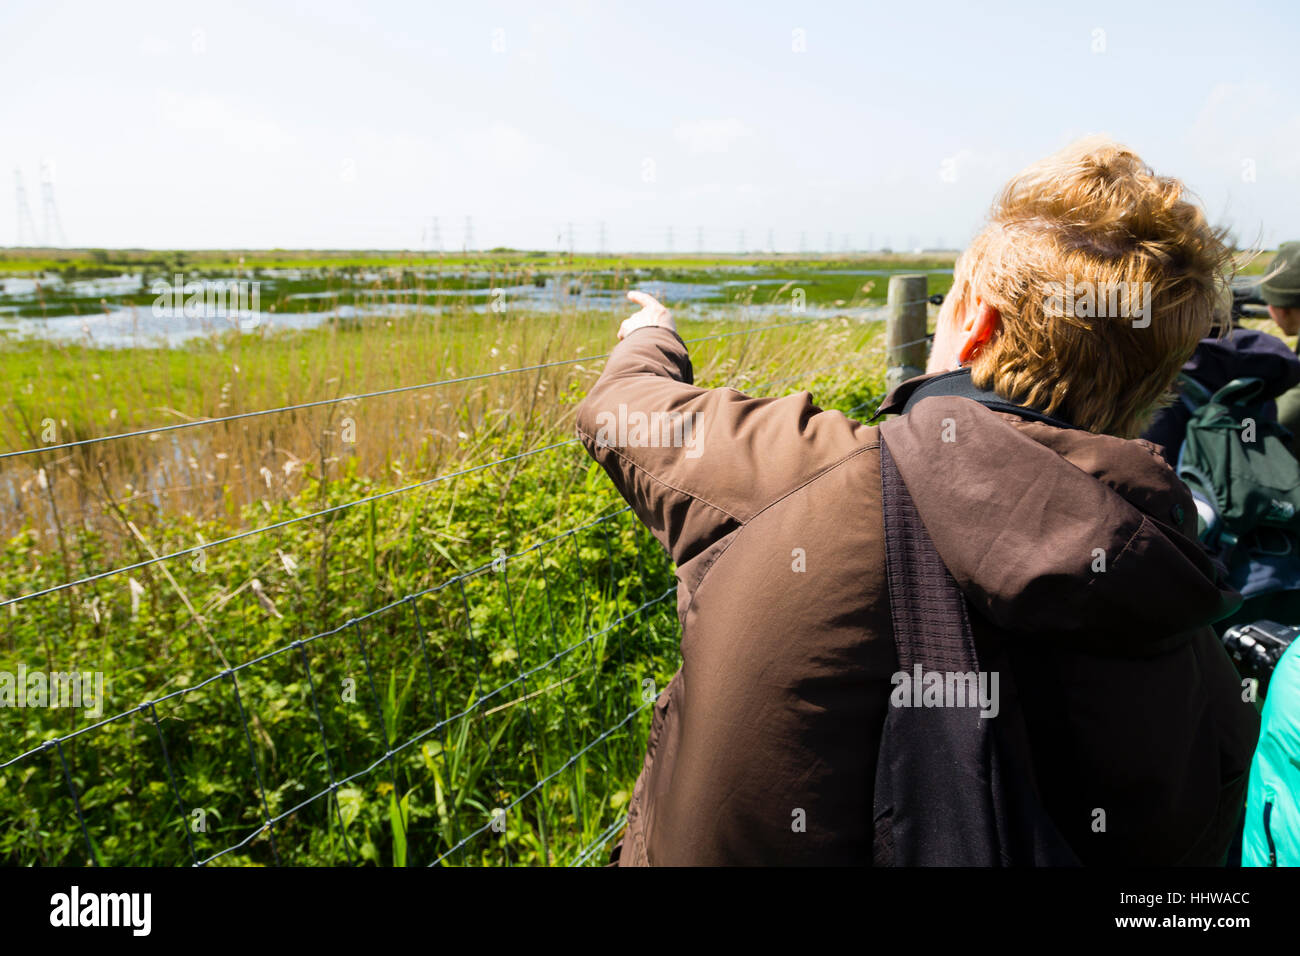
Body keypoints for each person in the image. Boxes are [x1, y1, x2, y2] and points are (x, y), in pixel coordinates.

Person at [577, 138, 1259, 866]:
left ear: (977, 322)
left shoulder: (806, 475)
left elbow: (621, 408)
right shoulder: (1182, 604)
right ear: (1158, 382)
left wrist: (651, 336)